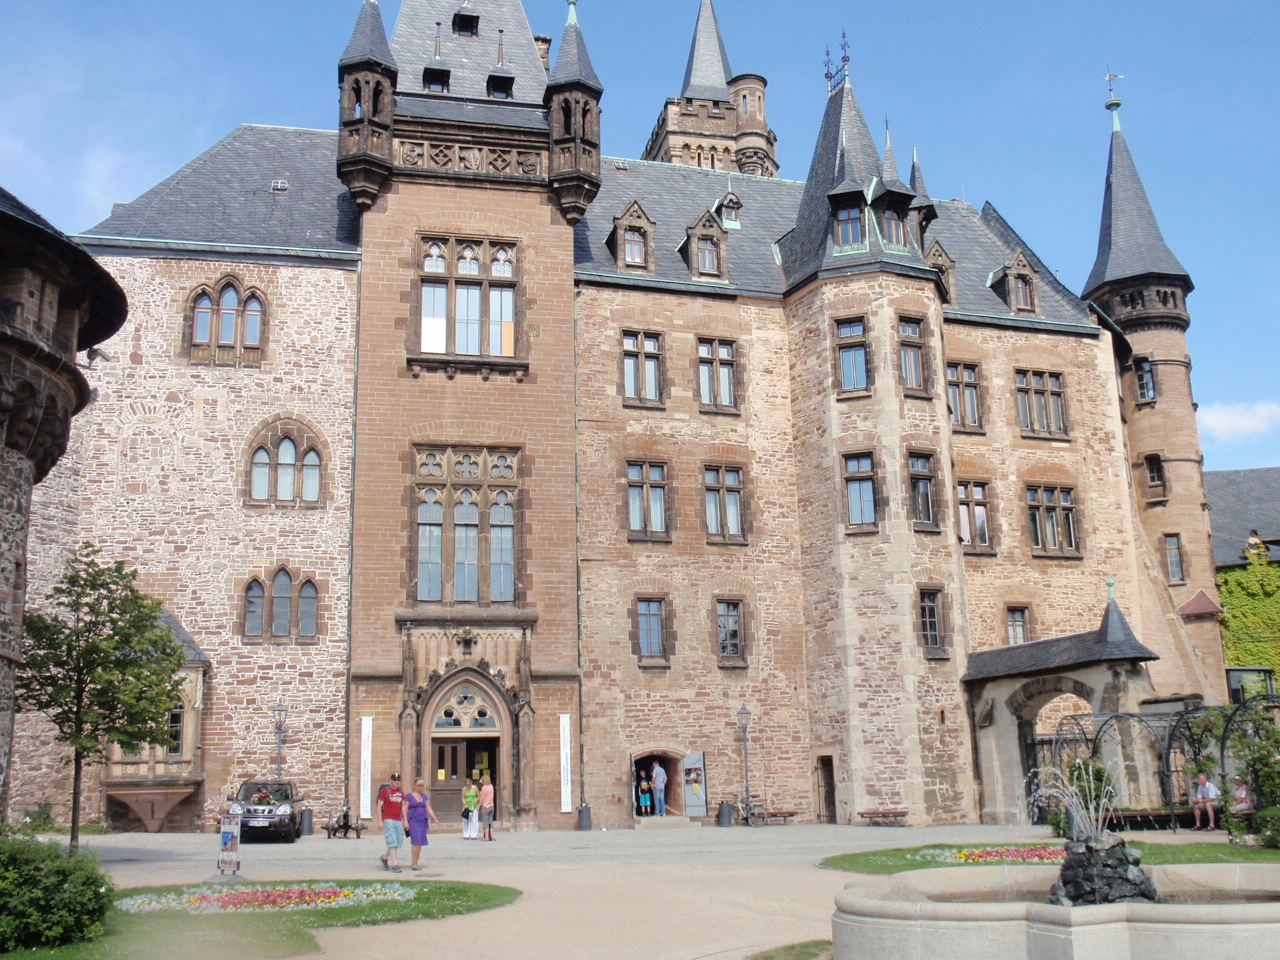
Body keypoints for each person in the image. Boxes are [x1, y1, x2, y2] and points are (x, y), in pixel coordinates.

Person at [405, 777, 440, 870]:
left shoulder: (424, 796)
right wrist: (405, 821)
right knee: (416, 841)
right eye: (418, 786)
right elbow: (405, 809)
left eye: (422, 786)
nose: (420, 787)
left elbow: (428, 808)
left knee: (420, 842)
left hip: (422, 821)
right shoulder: (409, 796)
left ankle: (416, 861)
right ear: (414, 786)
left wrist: (435, 818)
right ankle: (414, 863)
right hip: (413, 821)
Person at [376, 772, 409, 871]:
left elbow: (402, 806)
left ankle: (385, 858)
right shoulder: (386, 791)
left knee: (398, 842)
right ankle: (395, 865)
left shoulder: (400, 792)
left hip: (398, 819)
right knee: (391, 841)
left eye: (398, 780)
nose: (396, 782)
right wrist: (380, 821)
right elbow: (379, 806)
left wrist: (405, 820)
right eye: (394, 780)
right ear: (391, 781)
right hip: (388, 819)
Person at [477, 773, 496, 841]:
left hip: (485, 806)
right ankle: (492, 837)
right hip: (491, 806)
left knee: (485, 823)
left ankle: (486, 837)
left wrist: (479, 806)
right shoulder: (491, 786)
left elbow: (481, 798)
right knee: (490, 822)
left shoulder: (484, 788)